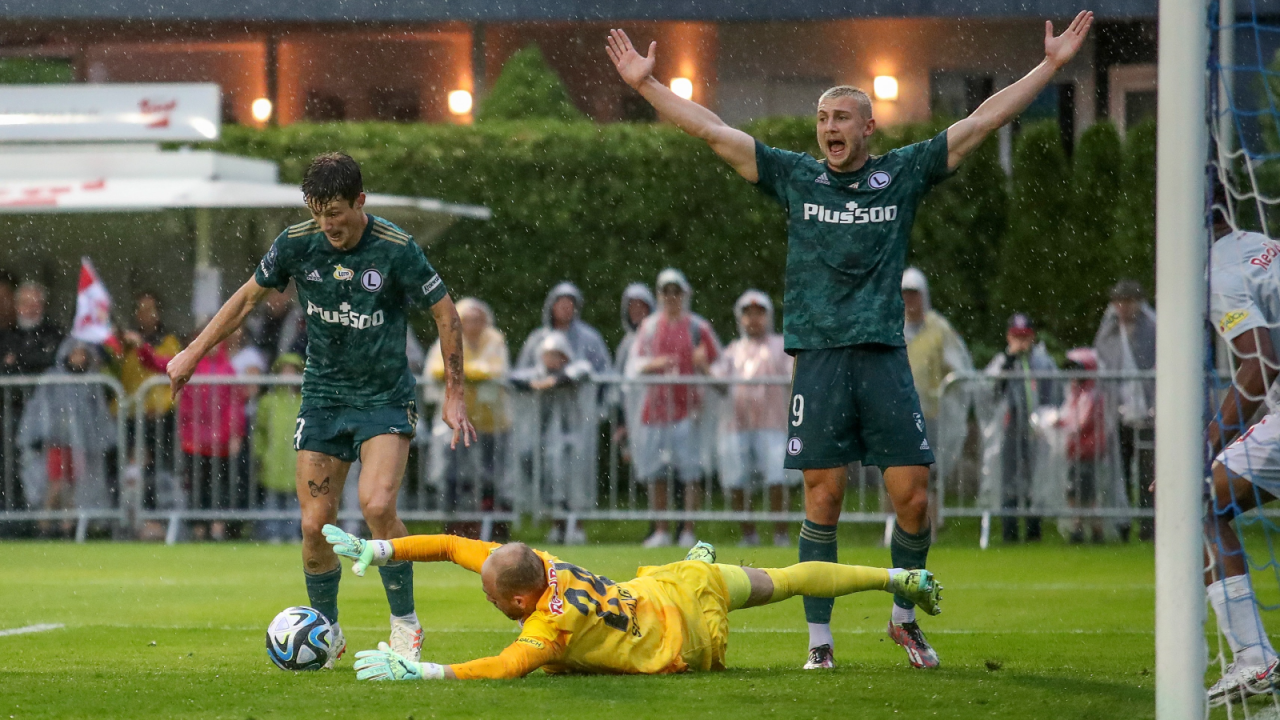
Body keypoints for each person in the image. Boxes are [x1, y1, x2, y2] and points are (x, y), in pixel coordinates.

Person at [605, 11, 1093, 669]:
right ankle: (819, 644)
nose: (828, 128)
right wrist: (647, 87)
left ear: (868, 126)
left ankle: (902, 619)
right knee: (824, 498)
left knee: (913, 494)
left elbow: (983, 121)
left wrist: (1053, 67)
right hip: (821, 358)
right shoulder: (796, 177)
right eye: (822, 119)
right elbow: (713, 131)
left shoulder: (906, 172)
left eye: (841, 118)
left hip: (883, 356)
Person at [165, 152, 476, 669]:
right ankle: (326, 633)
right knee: (315, 526)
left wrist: (454, 391)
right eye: (317, 212)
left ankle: (404, 624)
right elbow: (246, 299)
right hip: (324, 398)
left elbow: (445, 312)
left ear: (360, 202)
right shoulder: (296, 243)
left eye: (334, 212)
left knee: (377, 507)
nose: (327, 224)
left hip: (383, 399)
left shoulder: (395, 249)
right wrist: (192, 353)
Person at [320, 526, 943, 681]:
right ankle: (897, 576)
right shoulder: (541, 563)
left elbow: (508, 667)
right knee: (784, 580)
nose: (483, 594)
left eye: (490, 595)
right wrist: (381, 547)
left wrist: (424, 670)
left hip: (687, 639)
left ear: (515, 598)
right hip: (676, 586)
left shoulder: (550, 622)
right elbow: (456, 545)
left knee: (778, 585)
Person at [1199, 190, 1280, 705]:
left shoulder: (1220, 273)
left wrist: (1203, 447)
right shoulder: (1265, 246)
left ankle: (1253, 658)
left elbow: (1260, 364)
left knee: (1195, 498)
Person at [627, 268, 721, 548]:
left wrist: (703, 365)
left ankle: (688, 530)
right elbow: (634, 364)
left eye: (676, 291)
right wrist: (655, 364)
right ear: (659, 295)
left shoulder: (698, 327)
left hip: (688, 412)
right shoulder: (649, 327)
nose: (671, 297)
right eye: (666, 292)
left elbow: (720, 365)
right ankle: (661, 530)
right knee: (656, 473)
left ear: (684, 294)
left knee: (690, 471)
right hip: (654, 413)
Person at [711, 290, 795, 547]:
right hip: (736, 426)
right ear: (740, 318)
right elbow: (719, 381)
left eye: (759, 313)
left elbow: (794, 376)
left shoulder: (781, 346)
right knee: (737, 481)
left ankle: (780, 535)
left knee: (776, 479)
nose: (754, 319)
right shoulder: (733, 350)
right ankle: (749, 535)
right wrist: (704, 366)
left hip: (774, 424)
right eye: (748, 314)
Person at [425, 298, 511, 538]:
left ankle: (490, 527)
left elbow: (495, 369)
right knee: (451, 476)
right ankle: (454, 525)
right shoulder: (449, 336)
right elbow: (434, 369)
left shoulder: (494, 339)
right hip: (454, 424)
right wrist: (472, 373)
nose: (473, 324)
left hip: (490, 423)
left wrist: (459, 371)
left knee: (490, 477)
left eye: (477, 319)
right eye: (468, 319)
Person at [18, 338, 115, 537]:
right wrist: (36, 433)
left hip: (80, 445)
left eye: (83, 354)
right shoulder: (53, 378)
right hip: (57, 441)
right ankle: (44, 523)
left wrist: (104, 438)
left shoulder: (91, 380)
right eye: (75, 354)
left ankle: (66, 525)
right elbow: (39, 407)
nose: (79, 358)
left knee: (73, 485)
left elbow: (98, 413)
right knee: (57, 482)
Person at [510, 331, 597, 544]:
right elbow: (513, 378)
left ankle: (576, 526)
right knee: (549, 481)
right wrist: (534, 384)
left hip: (573, 438)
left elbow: (581, 371)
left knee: (573, 483)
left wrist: (554, 381)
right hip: (546, 441)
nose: (552, 360)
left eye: (556, 354)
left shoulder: (576, 368)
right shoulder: (536, 374)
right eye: (548, 354)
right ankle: (556, 526)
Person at [114, 292, 183, 538]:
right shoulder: (123, 344)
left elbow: (166, 365)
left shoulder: (169, 340)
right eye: (142, 309)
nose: (147, 314)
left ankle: (157, 521)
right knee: (130, 473)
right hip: (130, 417)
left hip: (160, 419)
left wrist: (141, 348)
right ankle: (130, 522)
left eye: (151, 309)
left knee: (158, 472)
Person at [984, 313, 1058, 544]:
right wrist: (1009, 361)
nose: (1021, 341)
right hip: (1010, 429)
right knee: (1009, 478)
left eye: (1025, 337)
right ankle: (1010, 530)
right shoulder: (1001, 362)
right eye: (1016, 336)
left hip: (1037, 431)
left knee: (1035, 478)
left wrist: (1046, 421)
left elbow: (1053, 394)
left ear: (1033, 337)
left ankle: (1034, 529)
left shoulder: (1043, 363)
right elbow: (991, 391)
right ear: (1008, 337)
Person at [1093, 278, 1156, 541]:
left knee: (1147, 473)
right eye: (1119, 301)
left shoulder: (1151, 329)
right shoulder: (1108, 332)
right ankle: (1120, 524)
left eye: (1128, 301)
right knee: (1118, 469)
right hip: (1117, 412)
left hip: (1148, 413)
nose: (1122, 307)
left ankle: (1148, 525)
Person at [176, 324, 245, 542]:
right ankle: (199, 528)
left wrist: (235, 434)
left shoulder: (227, 369)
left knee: (218, 487)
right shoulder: (194, 366)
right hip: (195, 441)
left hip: (219, 443)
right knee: (197, 487)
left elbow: (235, 405)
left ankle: (216, 528)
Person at [254, 353, 305, 543]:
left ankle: (291, 533)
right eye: (285, 370)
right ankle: (272, 533)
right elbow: (260, 431)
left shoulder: (303, 401)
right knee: (272, 500)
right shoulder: (269, 402)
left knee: (294, 500)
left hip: (296, 459)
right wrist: (260, 454)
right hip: (273, 458)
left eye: (292, 371)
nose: (288, 374)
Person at [1059, 347, 1106, 544]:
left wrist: (1057, 422)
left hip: (1087, 451)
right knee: (1076, 491)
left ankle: (1091, 529)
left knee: (1085, 493)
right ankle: (1084, 527)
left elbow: (1079, 422)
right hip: (1077, 451)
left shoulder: (1091, 395)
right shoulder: (1077, 393)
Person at [610, 283, 656, 483]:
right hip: (633, 413)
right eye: (632, 307)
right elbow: (619, 383)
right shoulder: (626, 344)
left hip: (660, 411)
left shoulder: (658, 337)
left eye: (641, 306)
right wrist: (621, 420)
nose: (637, 311)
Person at [516, 282, 611, 376]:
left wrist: (578, 373)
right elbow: (522, 372)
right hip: (542, 391)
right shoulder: (537, 338)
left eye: (569, 302)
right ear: (552, 306)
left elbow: (604, 372)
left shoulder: (590, 338)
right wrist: (540, 375)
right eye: (561, 302)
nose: (565, 307)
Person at [2, 281, 63, 375]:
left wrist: (17, 360)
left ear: (44, 306)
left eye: (36, 303)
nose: (30, 308)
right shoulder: (4, 335)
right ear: (16, 306)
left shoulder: (55, 334)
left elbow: (54, 360)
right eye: (25, 303)